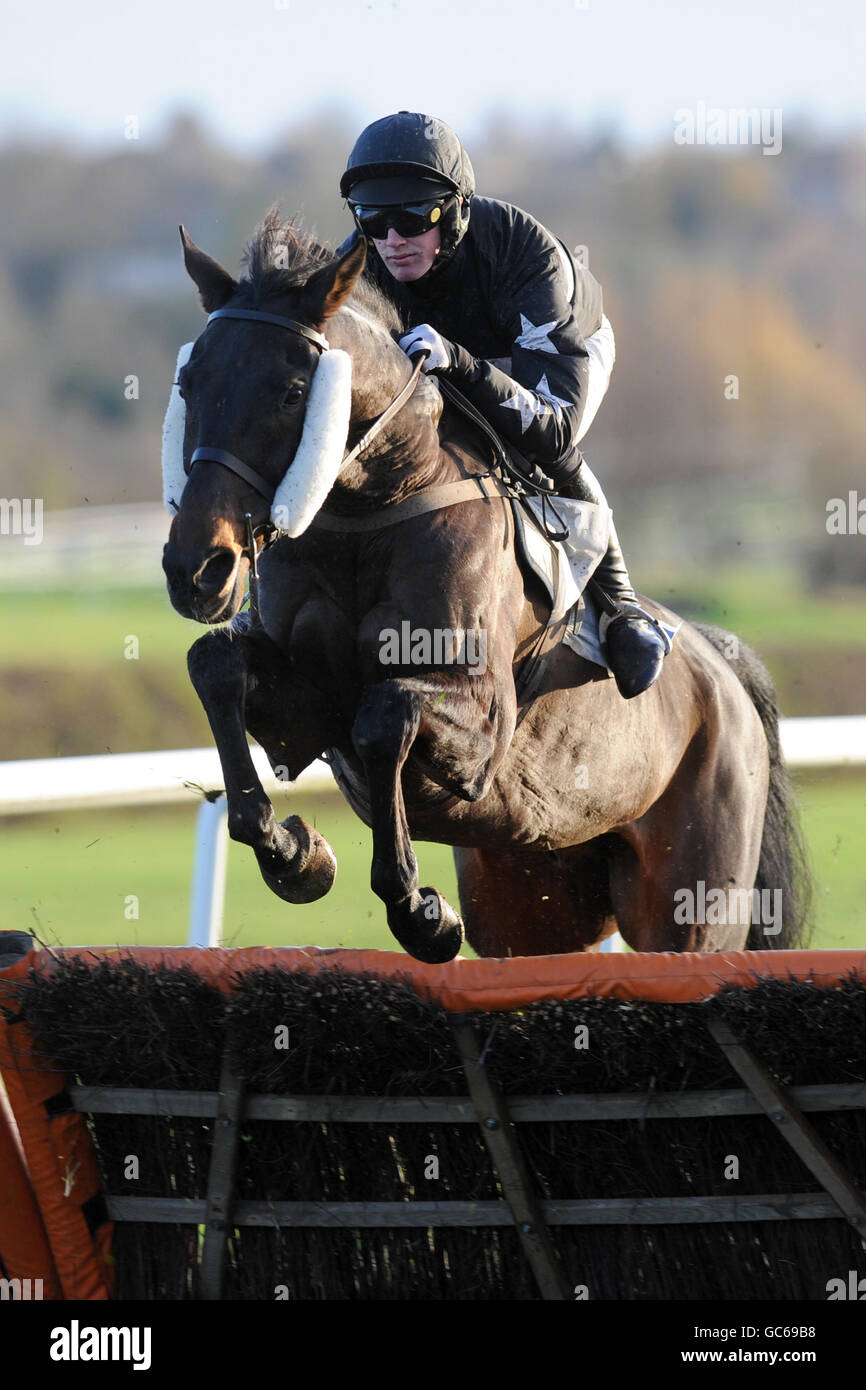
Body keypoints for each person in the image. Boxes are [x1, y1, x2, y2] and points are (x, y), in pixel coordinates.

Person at [337, 111, 670, 698]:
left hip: (554, 353)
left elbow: (554, 429)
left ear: (456, 210)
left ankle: (620, 609)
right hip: (448, 352)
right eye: (374, 218)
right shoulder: (363, 260)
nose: (392, 239)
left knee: (536, 452)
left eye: (413, 217)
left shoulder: (525, 252)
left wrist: (462, 365)